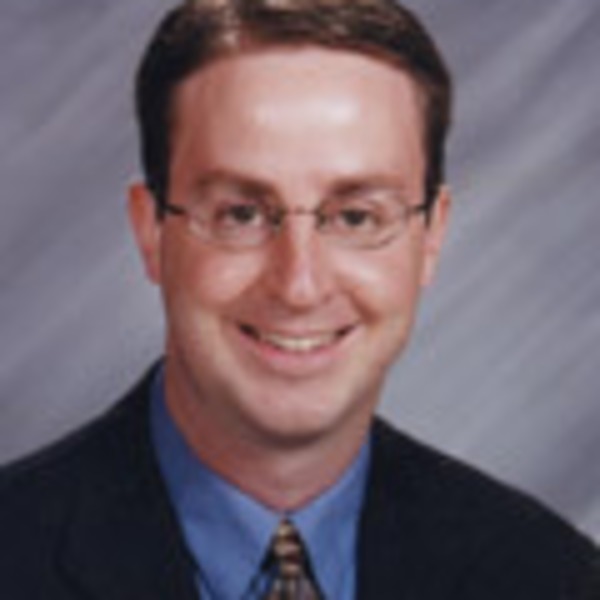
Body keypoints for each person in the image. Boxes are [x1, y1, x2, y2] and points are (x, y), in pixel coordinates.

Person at [1, 0, 598, 598]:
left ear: (431, 236)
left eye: (356, 217)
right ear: (150, 231)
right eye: (241, 214)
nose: (299, 285)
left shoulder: (552, 577)